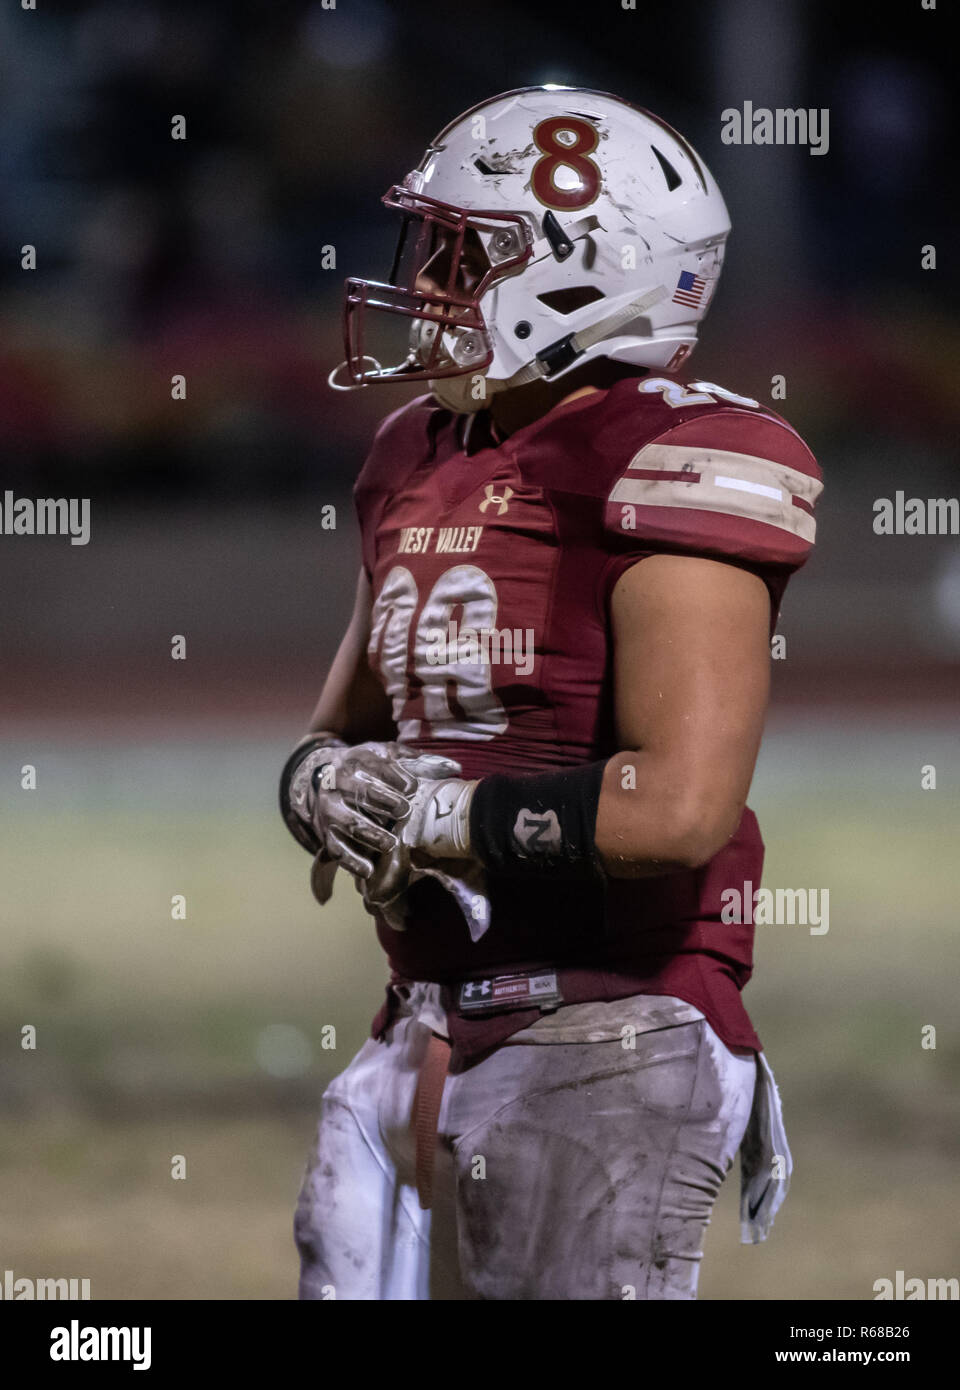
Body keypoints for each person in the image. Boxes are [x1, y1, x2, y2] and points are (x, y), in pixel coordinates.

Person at [280, 86, 822, 1300]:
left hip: (605, 1032)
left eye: (463, 255)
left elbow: (677, 806)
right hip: (417, 1018)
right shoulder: (415, 452)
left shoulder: (676, 453)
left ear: (586, 272)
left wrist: (440, 820)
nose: (426, 286)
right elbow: (344, 729)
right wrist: (318, 785)